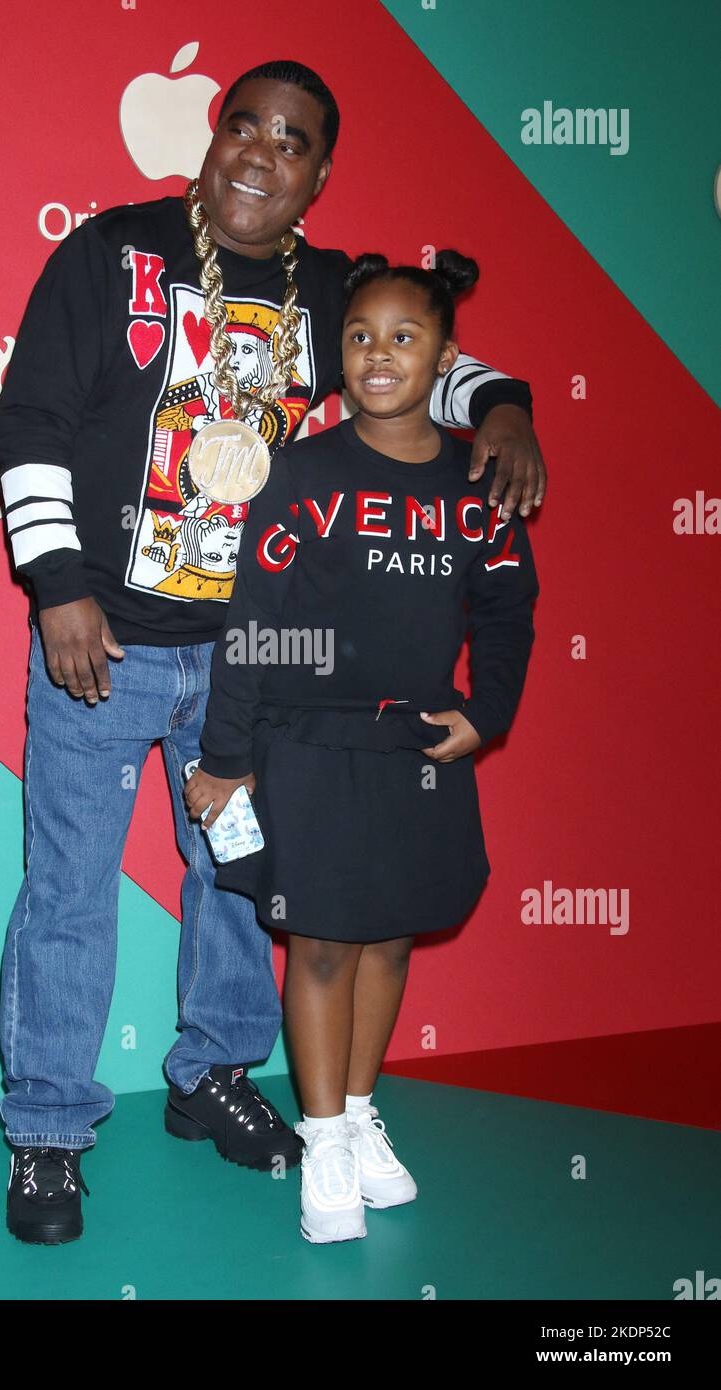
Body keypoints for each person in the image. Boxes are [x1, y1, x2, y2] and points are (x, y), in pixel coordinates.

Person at [0, 58, 546, 1245]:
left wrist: (505, 406)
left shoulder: (338, 288)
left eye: (290, 142)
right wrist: (56, 588)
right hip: (107, 644)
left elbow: (427, 359)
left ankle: (212, 1074)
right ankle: (47, 1130)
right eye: (245, 127)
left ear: (318, 175)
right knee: (70, 892)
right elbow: (30, 420)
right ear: (216, 135)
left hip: (261, 657)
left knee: (246, 880)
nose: (260, 154)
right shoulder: (111, 252)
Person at [185, 250, 539, 1243]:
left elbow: (509, 607)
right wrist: (226, 757)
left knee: (389, 935)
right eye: (359, 337)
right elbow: (252, 626)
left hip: (418, 744)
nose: (378, 356)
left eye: (403, 337)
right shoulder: (301, 473)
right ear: (338, 355)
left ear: (446, 355)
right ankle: (325, 1133)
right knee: (326, 943)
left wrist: (492, 708)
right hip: (307, 746)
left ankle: (363, 1108)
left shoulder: (481, 478)